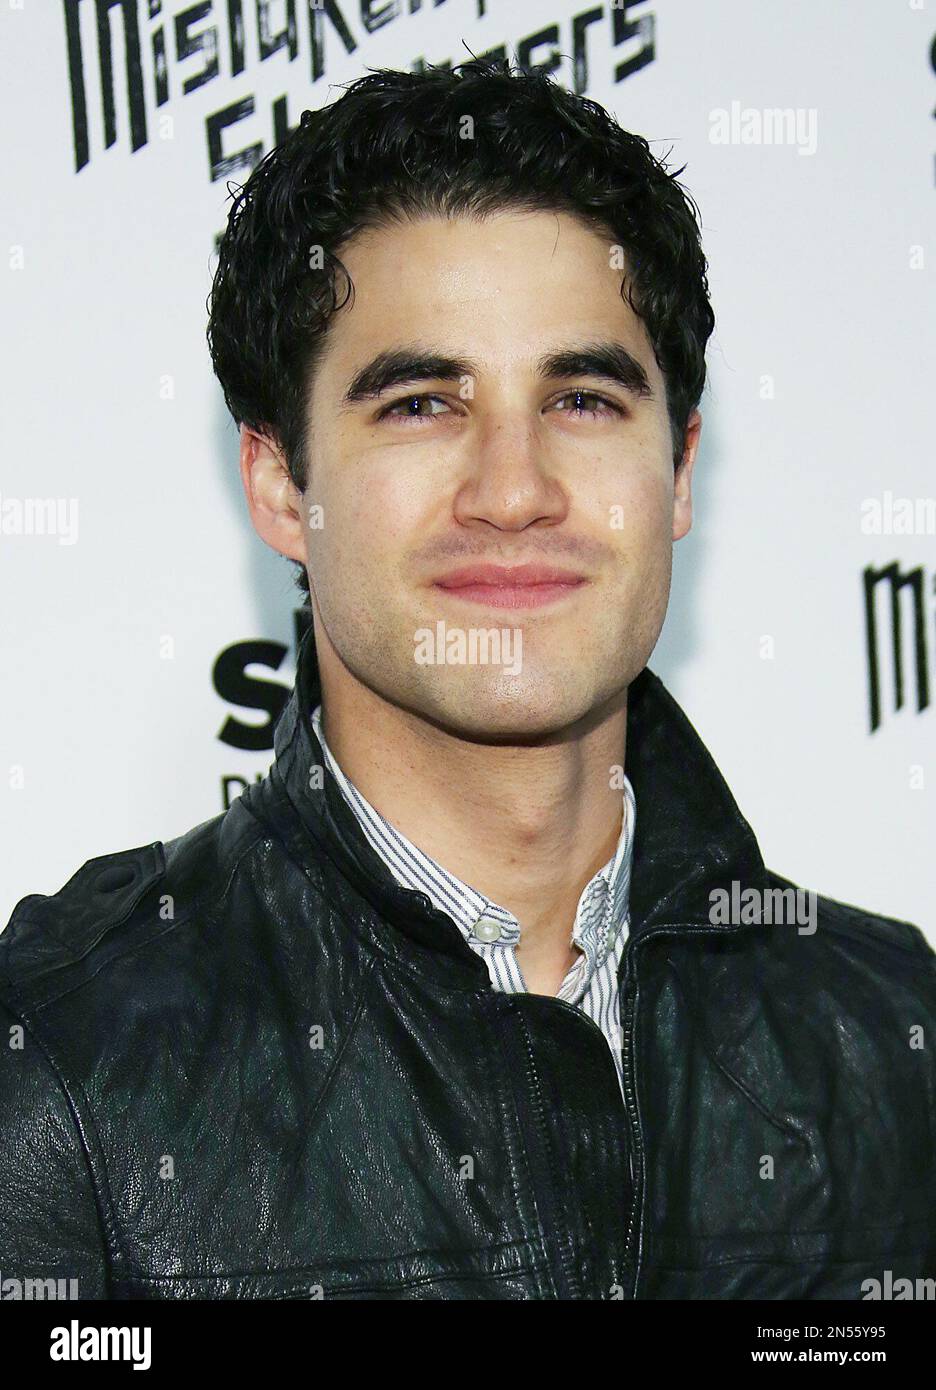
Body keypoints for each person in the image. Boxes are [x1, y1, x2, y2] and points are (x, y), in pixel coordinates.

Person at [1, 61, 933, 1301]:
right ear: (282, 484)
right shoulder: (67, 1059)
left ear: (681, 471)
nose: (513, 488)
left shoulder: (888, 1037)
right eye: (425, 402)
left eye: (586, 398)